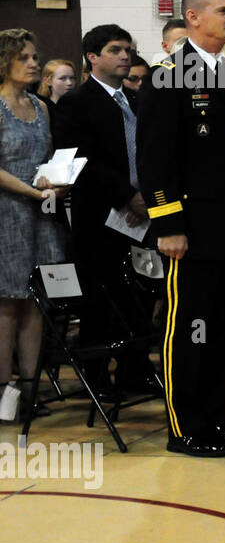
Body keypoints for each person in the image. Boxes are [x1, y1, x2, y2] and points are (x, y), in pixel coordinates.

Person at [137, 0, 225, 457]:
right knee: (189, 327)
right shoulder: (166, 76)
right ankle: (184, 426)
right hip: (187, 229)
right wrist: (168, 224)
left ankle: (218, 418)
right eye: (224, 10)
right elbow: (154, 160)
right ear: (193, 18)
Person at [54, 24, 156, 396]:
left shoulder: (136, 100)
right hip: (101, 216)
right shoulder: (77, 102)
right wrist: (126, 195)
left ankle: (134, 370)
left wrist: (146, 195)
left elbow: (146, 152)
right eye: (116, 50)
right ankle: (96, 378)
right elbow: (80, 159)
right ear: (93, 57)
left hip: (142, 214)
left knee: (141, 295)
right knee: (100, 300)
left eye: (128, 49)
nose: (125, 56)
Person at [0, 30, 69, 424]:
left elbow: (47, 157)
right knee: (7, 303)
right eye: (24, 57)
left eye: (34, 56)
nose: (32, 63)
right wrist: (29, 190)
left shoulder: (40, 107)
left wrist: (54, 181)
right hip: (8, 210)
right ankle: (3, 391)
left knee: (37, 302)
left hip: (40, 211)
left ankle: (30, 389)